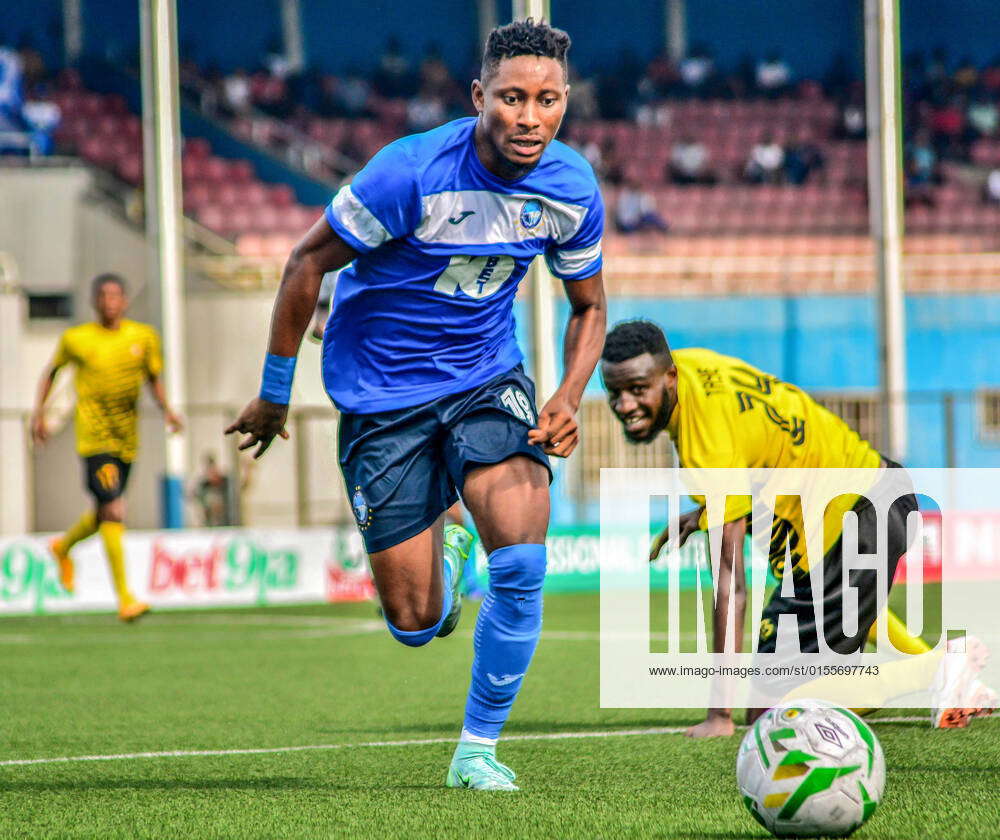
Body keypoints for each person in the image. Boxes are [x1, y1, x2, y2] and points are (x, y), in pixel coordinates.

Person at [226, 19, 606, 790]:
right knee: (415, 623)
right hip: (381, 395)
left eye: (547, 100)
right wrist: (273, 394)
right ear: (478, 98)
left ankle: (477, 750)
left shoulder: (570, 188)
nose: (529, 117)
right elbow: (305, 263)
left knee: (526, 559)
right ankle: (448, 549)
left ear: (566, 104)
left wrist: (568, 396)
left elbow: (589, 307)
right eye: (511, 98)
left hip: (484, 378)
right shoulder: (410, 172)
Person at [600, 320, 989, 735]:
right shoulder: (696, 367)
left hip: (853, 517)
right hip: (875, 496)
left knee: (774, 716)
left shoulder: (702, 442)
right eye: (614, 393)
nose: (624, 404)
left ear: (668, 378)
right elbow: (754, 451)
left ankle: (935, 670)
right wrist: (702, 516)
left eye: (637, 390)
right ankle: (955, 678)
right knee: (842, 607)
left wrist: (719, 714)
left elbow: (730, 582)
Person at [31, 273, 183, 621]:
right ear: (94, 301)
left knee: (105, 511)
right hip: (94, 440)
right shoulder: (77, 339)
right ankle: (126, 599)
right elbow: (51, 372)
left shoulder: (143, 337)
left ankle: (63, 546)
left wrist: (168, 411)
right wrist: (39, 415)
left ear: (125, 301)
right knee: (114, 508)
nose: (109, 301)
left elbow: (152, 378)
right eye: (103, 295)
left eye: (115, 295)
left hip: (126, 440)